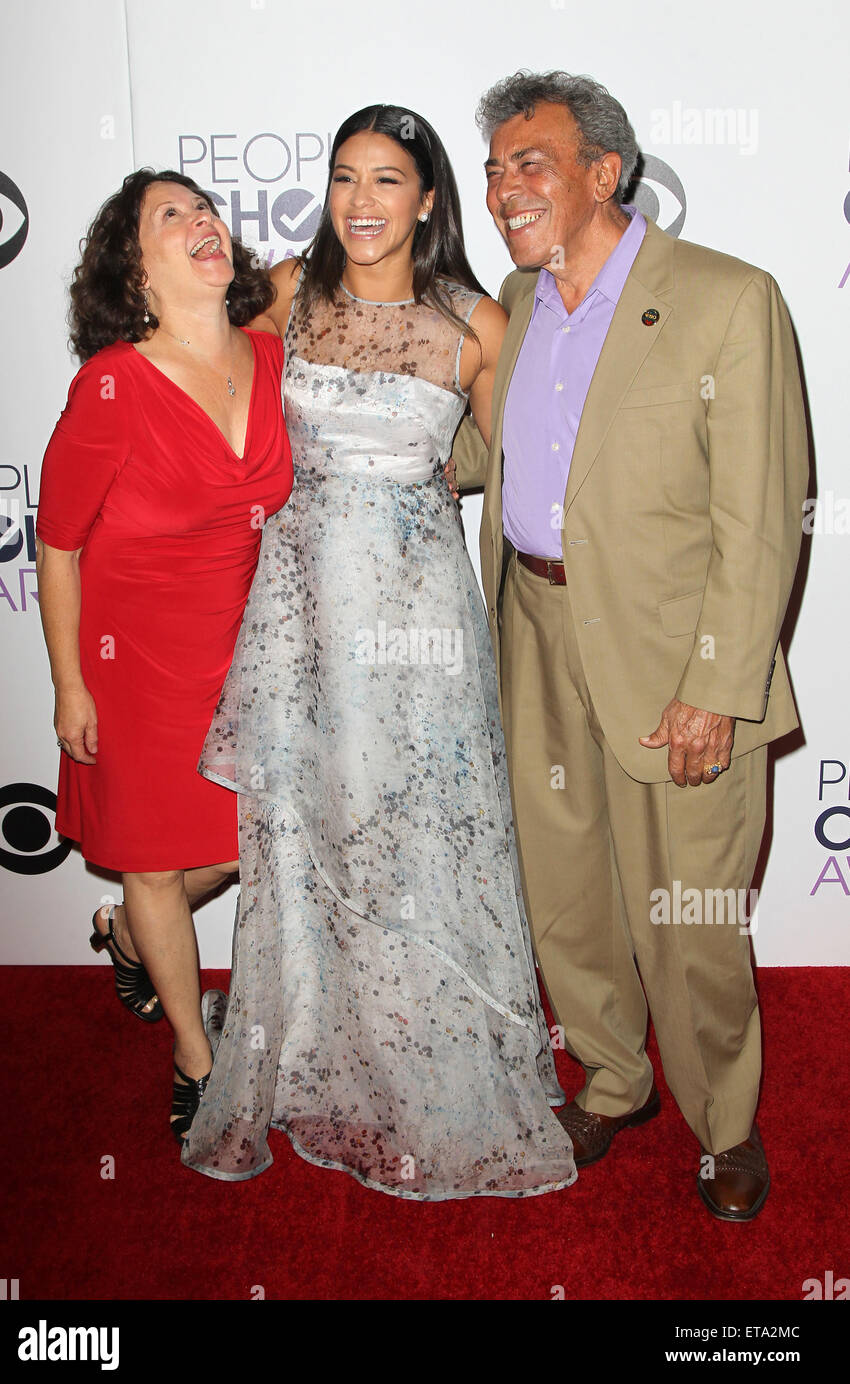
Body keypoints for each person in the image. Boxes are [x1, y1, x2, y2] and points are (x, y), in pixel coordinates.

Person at [181, 105, 577, 1199]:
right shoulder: (281, 293)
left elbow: (526, 475)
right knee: (307, 821)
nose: (362, 201)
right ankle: (313, 1042)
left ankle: (426, 1055)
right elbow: (181, 358)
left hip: (417, 620)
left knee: (413, 829)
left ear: (429, 199)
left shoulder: (475, 322)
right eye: (346, 177)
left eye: (389, 180)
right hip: (299, 614)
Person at [450, 71, 808, 1220]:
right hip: (536, 632)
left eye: (532, 162)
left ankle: (727, 1125)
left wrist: (720, 688)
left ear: (604, 172)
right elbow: (482, 451)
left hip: (674, 661)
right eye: (497, 166)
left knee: (690, 915)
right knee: (567, 894)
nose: (505, 187)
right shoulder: (513, 296)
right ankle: (610, 1077)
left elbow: (761, 520)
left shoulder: (726, 298)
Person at [36, 169, 292, 1142]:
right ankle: (195, 1056)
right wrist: (69, 683)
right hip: (129, 660)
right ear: (135, 272)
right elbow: (57, 548)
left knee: (240, 847)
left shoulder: (267, 354)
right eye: (169, 217)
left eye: (204, 208)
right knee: (152, 865)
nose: (201, 222)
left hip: (241, 656)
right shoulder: (112, 384)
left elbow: (339, 264)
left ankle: (129, 940)